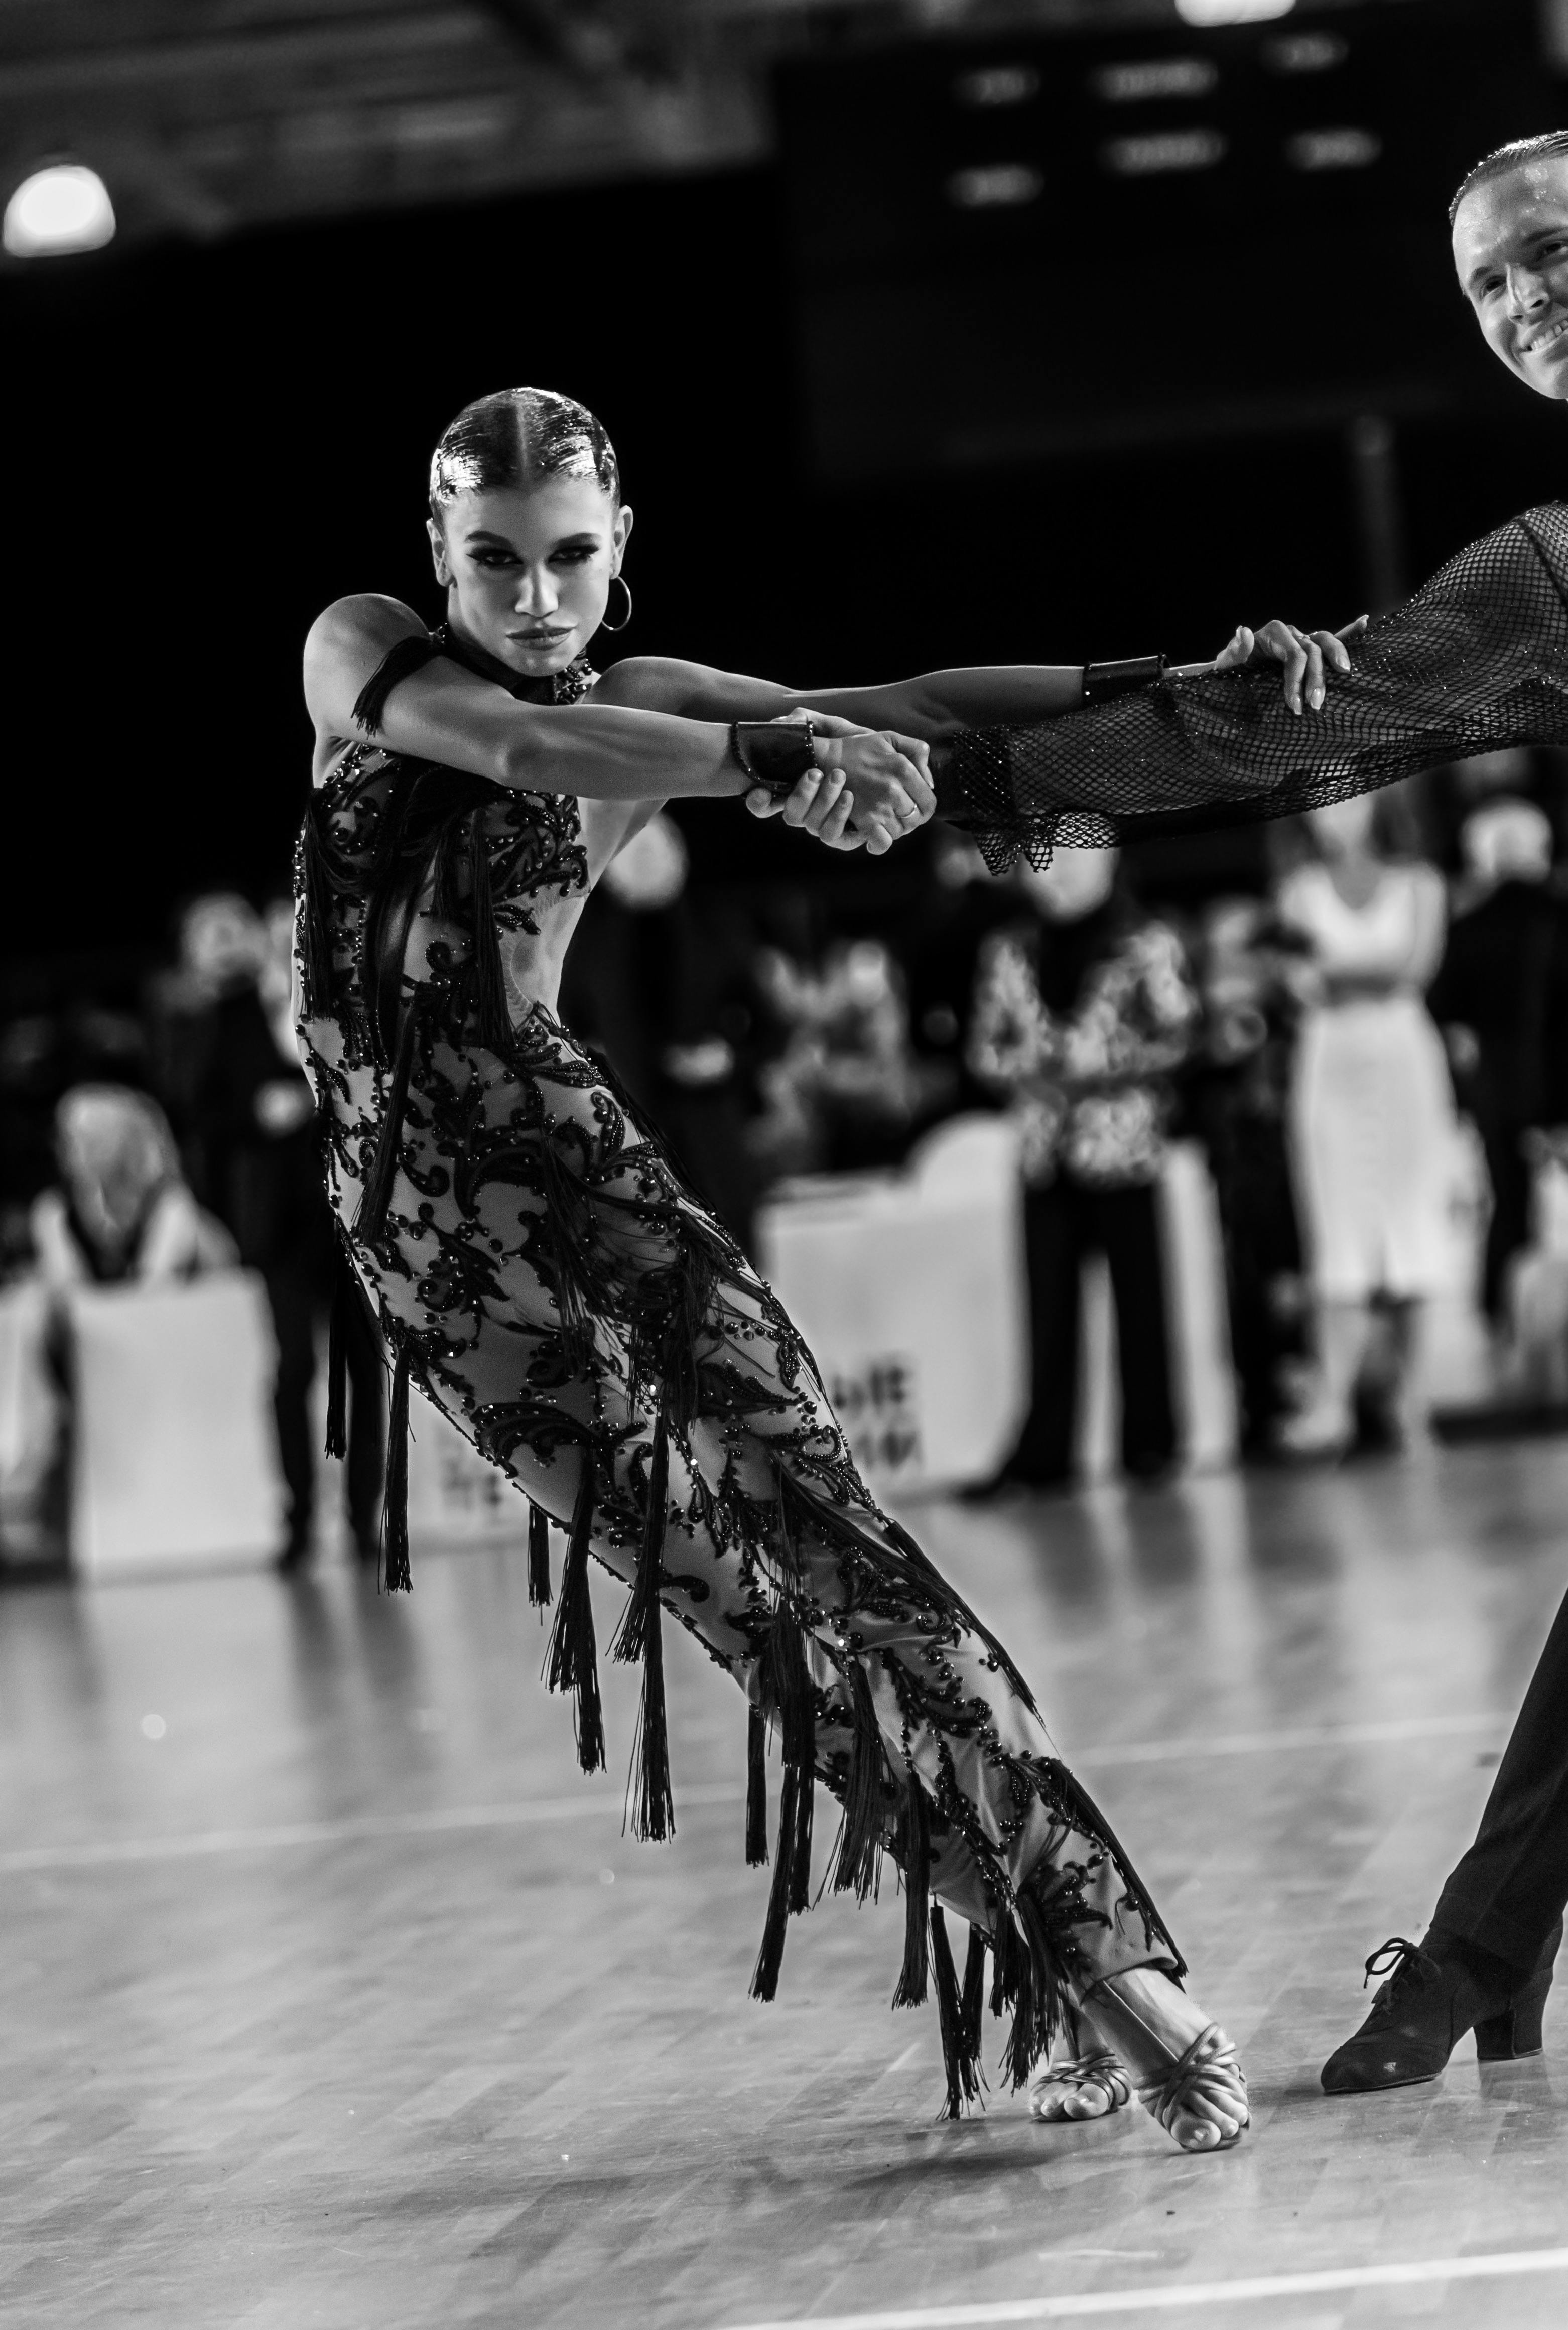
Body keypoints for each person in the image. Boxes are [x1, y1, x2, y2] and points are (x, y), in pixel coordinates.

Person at [296, 386, 1347, 2149]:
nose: (536, 596)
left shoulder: (652, 699)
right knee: (744, 1619)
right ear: (436, 556)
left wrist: (1173, 682)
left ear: (619, 550)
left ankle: (1109, 1963)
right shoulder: (367, 657)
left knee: (828, 1547)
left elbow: (926, 708)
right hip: (418, 1265)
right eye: (495, 560)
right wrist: (773, 762)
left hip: (569, 1175)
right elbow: (529, 752)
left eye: (570, 558)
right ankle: (1036, 1965)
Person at [965, 845, 1196, 1492]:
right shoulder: (1008, 948)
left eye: (1073, 854)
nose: (1057, 871)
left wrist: (1103, 1061)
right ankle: (1044, 1452)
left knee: (1142, 1300)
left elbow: (1178, 1033)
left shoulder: (1145, 941)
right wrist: (1037, 1068)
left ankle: (1151, 1443)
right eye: (1044, 857)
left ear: (1110, 857)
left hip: (1121, 1144)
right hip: (1045, 1147)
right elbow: (984, 1048)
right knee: (1047, 1307)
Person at [197, 897, 386, 1572]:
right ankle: (298, 1517)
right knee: (294, 1367)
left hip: (351, 1213)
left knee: (367, 1371)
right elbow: (206, 1110)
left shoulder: (347, 1004)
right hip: (278, 1219)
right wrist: (259, 1110)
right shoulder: (232, 1013)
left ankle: (366, 1519)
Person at [1272, 793, 1451, 1458]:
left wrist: (1343, 974)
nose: (1332, 818)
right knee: (1337, 1226)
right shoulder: (1299, 889)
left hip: (1405, 1063)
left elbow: (1415, 969)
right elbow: (1301, 984)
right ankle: (1332, 1401)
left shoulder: (1420, 883)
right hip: (1331, 1067)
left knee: (1414, 1225)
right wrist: (1355, 977)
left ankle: (1415, 1402)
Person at [1428, 796, 1565, 1334]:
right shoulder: (1558, 915)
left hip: (1503, 1088)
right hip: (1548, 1076)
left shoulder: (1469, 928)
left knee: (1508, 1209)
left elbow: (1445, 1011)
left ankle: (1506, 1326)